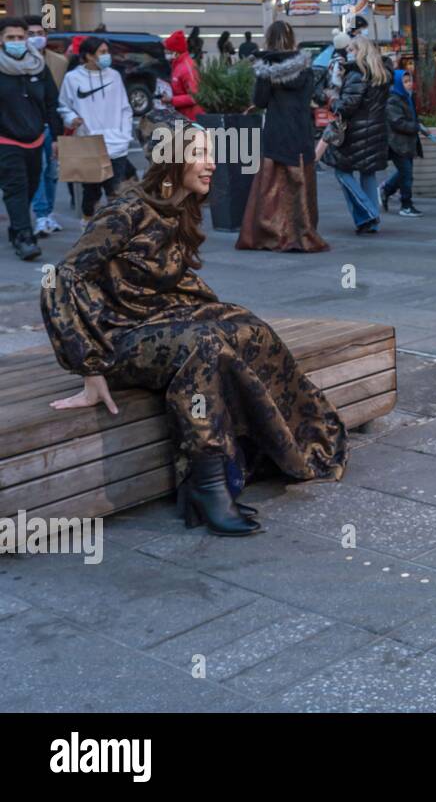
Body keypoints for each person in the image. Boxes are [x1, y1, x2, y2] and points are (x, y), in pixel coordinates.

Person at [41, 120, 347, 535]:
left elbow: (175, 283)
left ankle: (293, 439)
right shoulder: (125, 212)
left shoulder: (178, 205)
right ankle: (207, 483)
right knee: (201, 345)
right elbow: (60, 278)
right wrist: (89, 368)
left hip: (158, 321)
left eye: (211, 153)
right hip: (117, 337)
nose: (212, 163)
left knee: (246, 327)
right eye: (200, 154)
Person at [237, 21, 328, 252]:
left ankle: (274, 233)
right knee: (300, 184)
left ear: (269, 39)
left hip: (277, 130)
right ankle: (302, 231)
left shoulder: (266, 68)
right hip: (300, 130)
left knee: (272, 186)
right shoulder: (305, 67)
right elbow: (308, 97)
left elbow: (260, 101)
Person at [58, 36, 135, 232]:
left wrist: (124, 134)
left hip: (117, 143)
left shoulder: (114, 76)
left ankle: (115, 228)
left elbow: (125, 107)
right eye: (102, 52)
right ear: (88, 56)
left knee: (115, 190)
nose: (106, 56)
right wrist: (71, 119)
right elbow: (64, 107)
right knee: (91, 191)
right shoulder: (72, 78)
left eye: (107, 52)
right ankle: (87, 224)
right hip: (88, 141)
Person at [0, 18, 62, 261]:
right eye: (10, 38)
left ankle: (17, 226)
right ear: (1, 40)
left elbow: (51, 102)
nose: (17, 42)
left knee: (32, 185)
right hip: (5, 140)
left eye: (20, 37)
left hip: (36, 137)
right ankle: (25, 238)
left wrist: (55, 137)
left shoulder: (38, 65)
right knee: (16, 186)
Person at [321, 34, 390, 234]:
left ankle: (368, 213)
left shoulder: (357, 74)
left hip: (356, 132)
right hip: (376, 130)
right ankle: (369, 222)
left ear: (361, 52)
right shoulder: (381, 73)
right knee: (367, 173)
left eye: (351, 50)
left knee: (342, 171)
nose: (348, 53)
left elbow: (347, 106)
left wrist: (333, 100)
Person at [26, 14, 69, 239]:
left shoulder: (59, 62)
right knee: (39, 169)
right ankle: (41, 214)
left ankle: (49, 213)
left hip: (52, 123)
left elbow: (59, 98)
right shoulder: (17, 62)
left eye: (40, 34)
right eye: (30, 34)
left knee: (52, 172)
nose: (36, 38)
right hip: (29, 125)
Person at [381, 67, 428, 217]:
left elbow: (411, 118)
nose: (409, 84)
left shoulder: (406, 97)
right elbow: (398, 122)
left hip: (406, 143)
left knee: (405, 173)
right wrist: (417, 127)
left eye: (410, 81)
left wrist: (418, 125)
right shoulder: (393, 99)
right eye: (405, 81)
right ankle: (406, 204)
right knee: (407, 174)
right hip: (397, 144)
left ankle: (386, 190)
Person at [163, 30, 206, 122]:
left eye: (167, 51)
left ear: (175, 52)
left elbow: (195, 97)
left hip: (192, 118)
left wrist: (171, 100)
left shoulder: (187, 68)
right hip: (183, 116)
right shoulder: (177, 65)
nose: (165, 53)